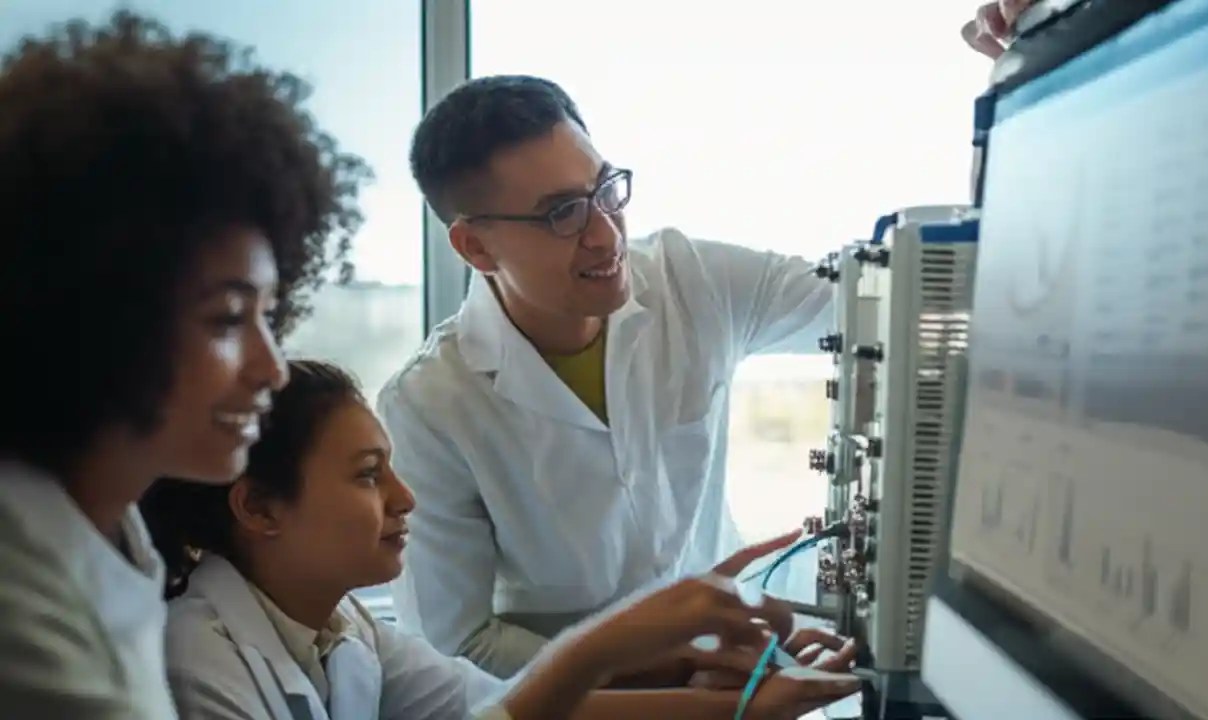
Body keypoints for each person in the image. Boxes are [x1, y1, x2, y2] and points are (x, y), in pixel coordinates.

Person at [378, 3, 1033, 679]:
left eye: (605, 190)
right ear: (476, 245)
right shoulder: (428, 408)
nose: (605, 234)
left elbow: (908, 296)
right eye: (561, 214)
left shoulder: (697, 283)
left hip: (736, 676)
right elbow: (456, 646)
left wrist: (1019, 84)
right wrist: (661, 671)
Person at [0, 11, 367, 718]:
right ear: (94, 312)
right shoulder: (18, 603)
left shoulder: (111, 529)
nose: (272, 369)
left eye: (268, 315)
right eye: (229, 319)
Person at [145, 360, 860, 719]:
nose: (406, 498)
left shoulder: (344, 628)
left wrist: (727, 691)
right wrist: (616, 642)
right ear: (261, 509)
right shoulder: (200, 662)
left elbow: (522, 704)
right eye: (368, 477)